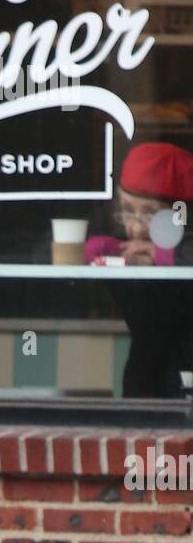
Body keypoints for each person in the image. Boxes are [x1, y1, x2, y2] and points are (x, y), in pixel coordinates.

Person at [85, 141, 193, 399]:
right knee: (142, 441)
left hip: (185, 376)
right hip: (143, 376)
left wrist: (167, 256)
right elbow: (40, 248)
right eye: (127, 210)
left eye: (151, 215)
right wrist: (96, 249)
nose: (135, 228)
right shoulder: (113, 229)